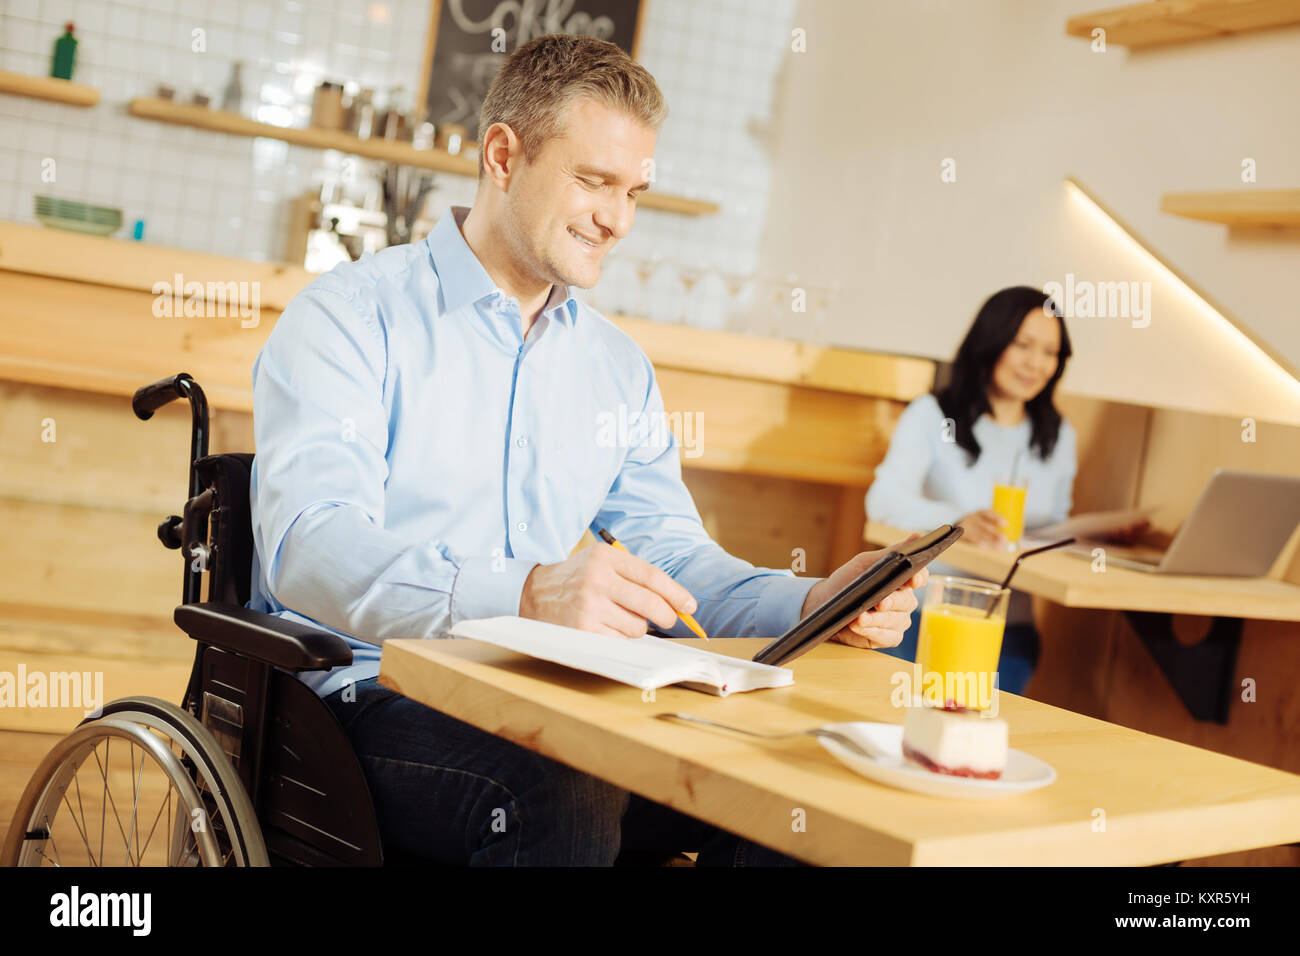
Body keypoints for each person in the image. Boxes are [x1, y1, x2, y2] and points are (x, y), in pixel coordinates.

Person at [247, 34, 925, 867]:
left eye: (634, 190)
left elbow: (673, 558)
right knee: (560, 788)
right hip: (364, 700)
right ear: (504, 154)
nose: (619, 220)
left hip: (546, 699)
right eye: (594, 181)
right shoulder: (349, 317)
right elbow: (310, 547)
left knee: (791, 785)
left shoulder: (615, 367)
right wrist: (528, 593)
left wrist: (814, 597)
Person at [865, 286, 1076, 696]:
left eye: (1050, 352)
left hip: (1005, 629)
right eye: (1023, 345)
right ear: (991, 341)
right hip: (921, 618)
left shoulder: (1058, 435)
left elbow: (1055, 527)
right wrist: (956, 521)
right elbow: (881, 502)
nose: (1036, 363)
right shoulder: (932, 414)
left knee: (971, 737)